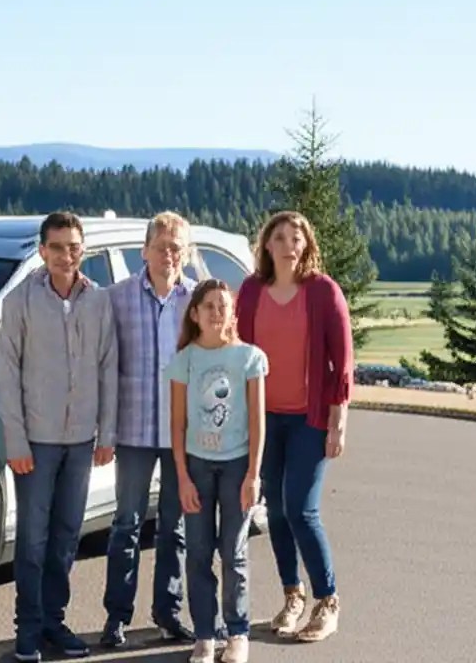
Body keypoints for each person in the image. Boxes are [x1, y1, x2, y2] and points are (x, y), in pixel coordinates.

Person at [0, 211, 119, 662]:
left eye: (74, 246)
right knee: (31, 540)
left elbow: (108, 369)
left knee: (67, 535)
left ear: (81, 249)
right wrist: (17, 442)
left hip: (81, 441)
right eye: (57, 247)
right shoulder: (20, 303)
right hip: (36, 443)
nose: (66, 255)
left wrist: (106, 432)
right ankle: (26, 631)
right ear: (42, 250)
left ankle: (55, 622)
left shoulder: (99, 301)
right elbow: (8, 377)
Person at [234, 210, 352, 643]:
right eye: (279, 237)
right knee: (277, 510)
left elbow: (342, 363)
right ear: (267, 245)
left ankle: (328, 601)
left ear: (306, 245)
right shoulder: (250, 292)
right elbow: (238, 354)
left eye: (295, 237)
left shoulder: (323, 292)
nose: (288, 244)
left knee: (301, 508)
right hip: (266, 419)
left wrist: (338, 423)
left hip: (310, 418)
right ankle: (292, 597)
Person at [100, 211, 198, 648]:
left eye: (176, 248)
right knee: (126, 525)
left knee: (174, 529)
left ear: (185, 253)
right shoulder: (117, 298)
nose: (168, 255)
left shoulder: (196, 302)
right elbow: (103, 366)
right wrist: (105, 430)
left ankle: (168, 613)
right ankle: (117, 616)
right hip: (135, 430)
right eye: (161, 247)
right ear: (145, 251)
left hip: (182, 435)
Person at [165, 278, 267, 663]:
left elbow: (258, 423)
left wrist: (253, 474)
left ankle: (237, 633)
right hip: (197, 467)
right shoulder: (185, 360)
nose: (216, 312)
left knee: (233, 551)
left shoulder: (249, 358)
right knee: (198, 553)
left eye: (223, 305)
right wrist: (183, 476)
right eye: (208, 306)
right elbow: (177, 425)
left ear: (232, 313)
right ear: (195, 313)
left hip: (237, 465)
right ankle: (205, 635)